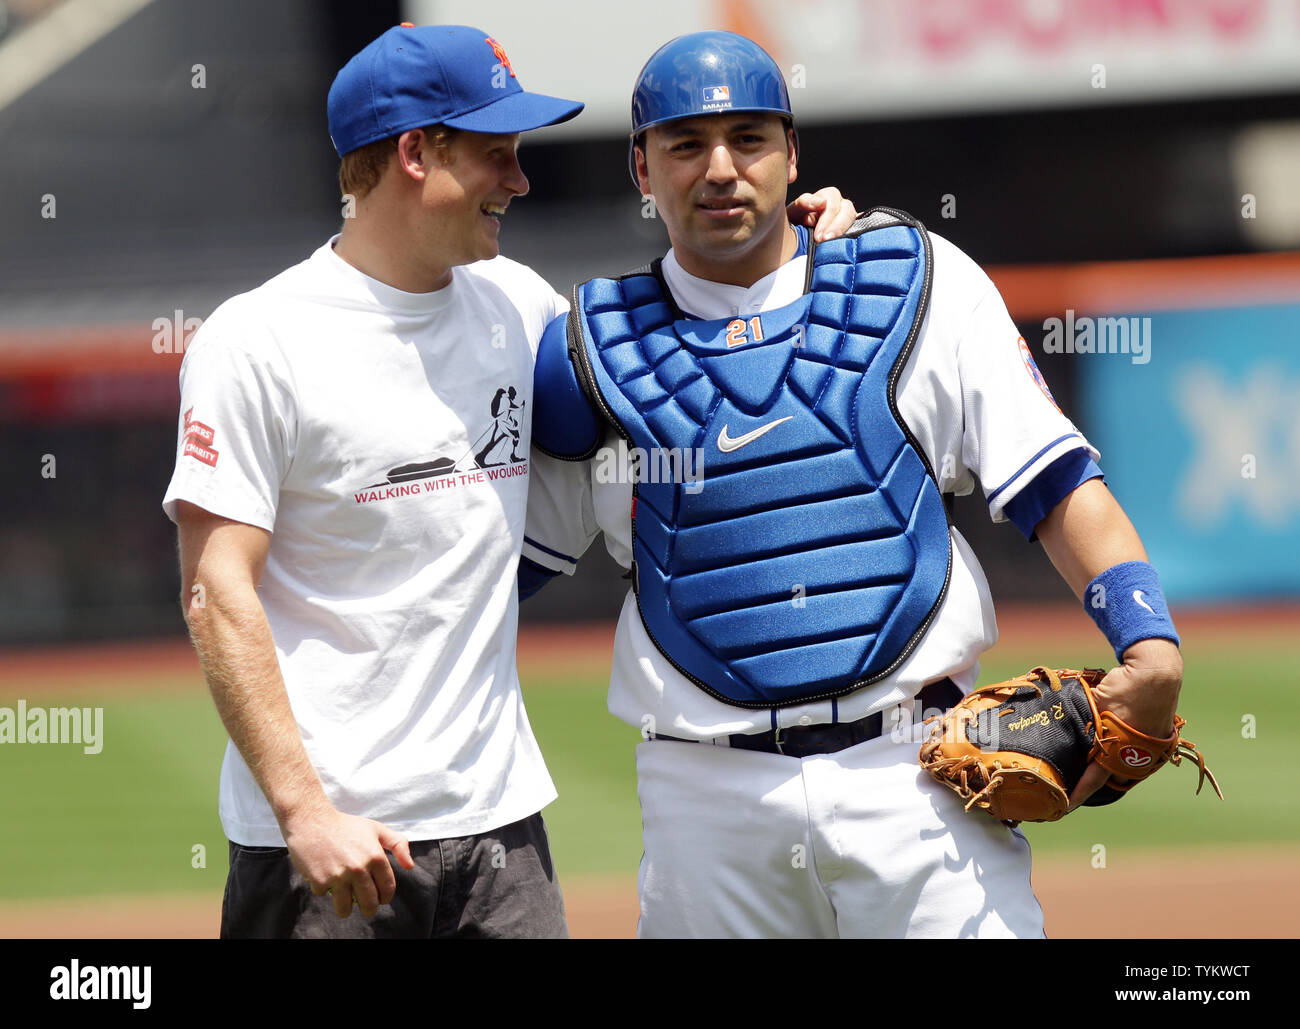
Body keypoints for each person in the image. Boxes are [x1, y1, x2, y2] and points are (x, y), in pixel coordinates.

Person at [162, 23, 855, 939]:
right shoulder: (257, 341)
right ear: (415, 152)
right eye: (498, 155)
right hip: (332, 849)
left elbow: (680, 351)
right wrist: (304, 813)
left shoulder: (518, 305)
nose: (521, 181)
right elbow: (217, 591)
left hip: (502, 834)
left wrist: (808, 247)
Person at [521, 31, 1185, 938]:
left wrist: (1150, 644)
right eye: (685, 144)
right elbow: (501, 573)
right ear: (642, 167)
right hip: (705, 803)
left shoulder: (914, 281)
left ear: (792, 154)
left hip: (917, 774)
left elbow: (1056, 480)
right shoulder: (590, 358)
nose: (720, 168)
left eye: (749, 139)